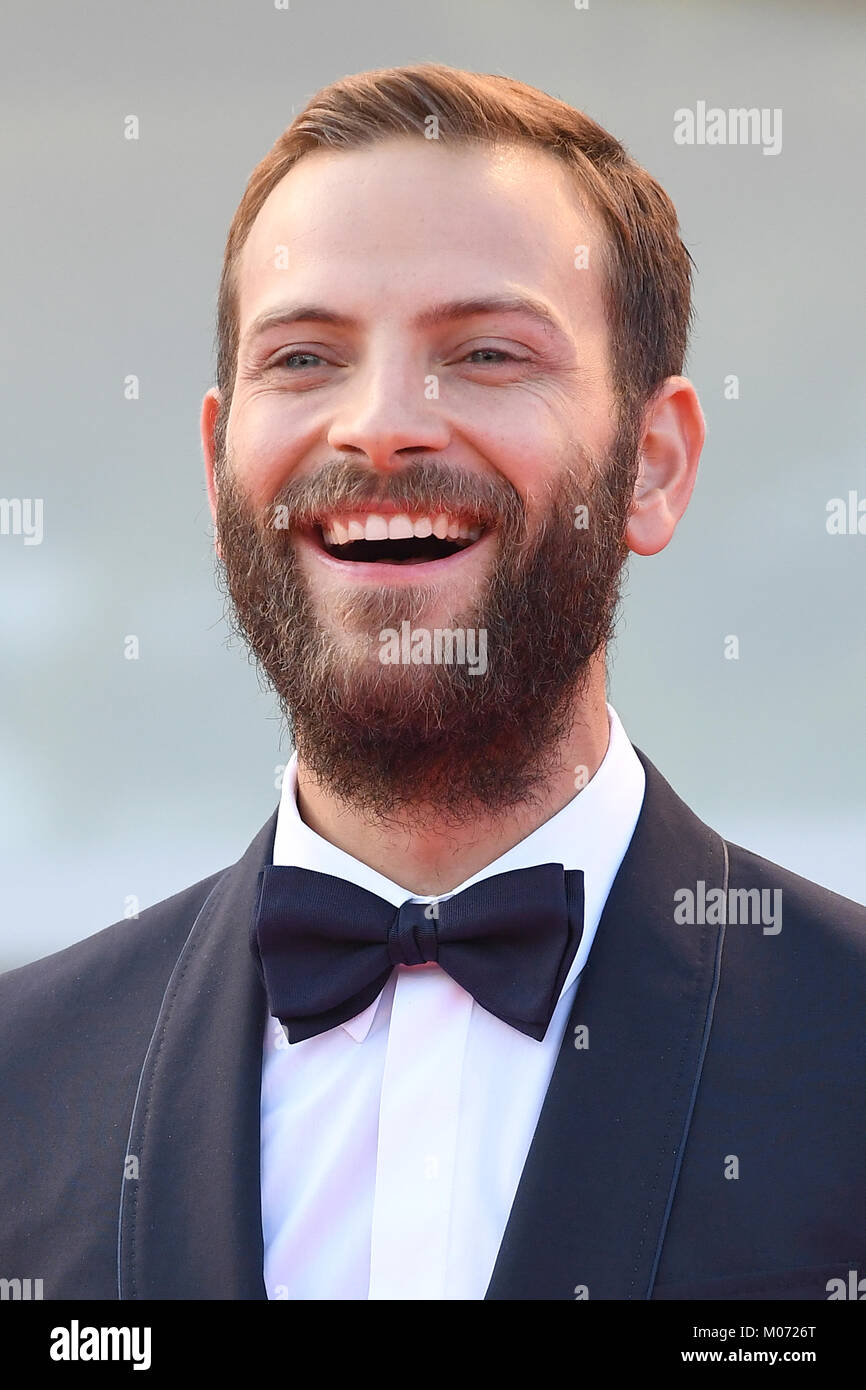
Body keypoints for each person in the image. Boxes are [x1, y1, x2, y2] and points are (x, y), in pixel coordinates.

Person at [2, 62, 864, 1303]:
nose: (382, 425)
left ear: (651, 466)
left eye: (486, 352)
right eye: (303, 357)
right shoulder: (18, 1083)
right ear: (214, 465)